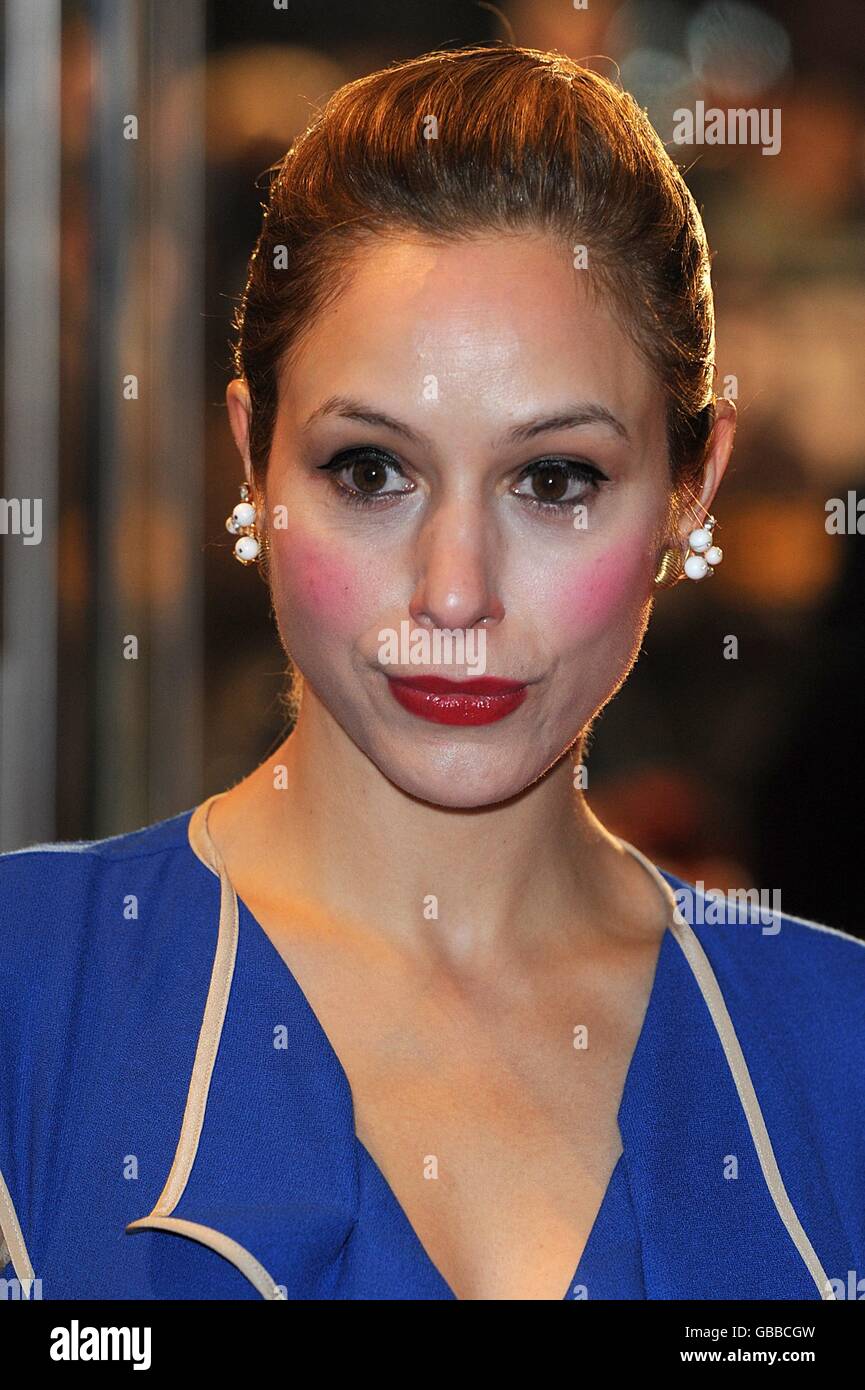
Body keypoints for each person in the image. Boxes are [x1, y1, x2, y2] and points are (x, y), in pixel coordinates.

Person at [2, 44, 863, 1302]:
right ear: (255, 464)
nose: (453, 588)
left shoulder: (835, 1045)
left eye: (554, 479)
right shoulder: (30, 991)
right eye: (369, 470)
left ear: (692, 492)